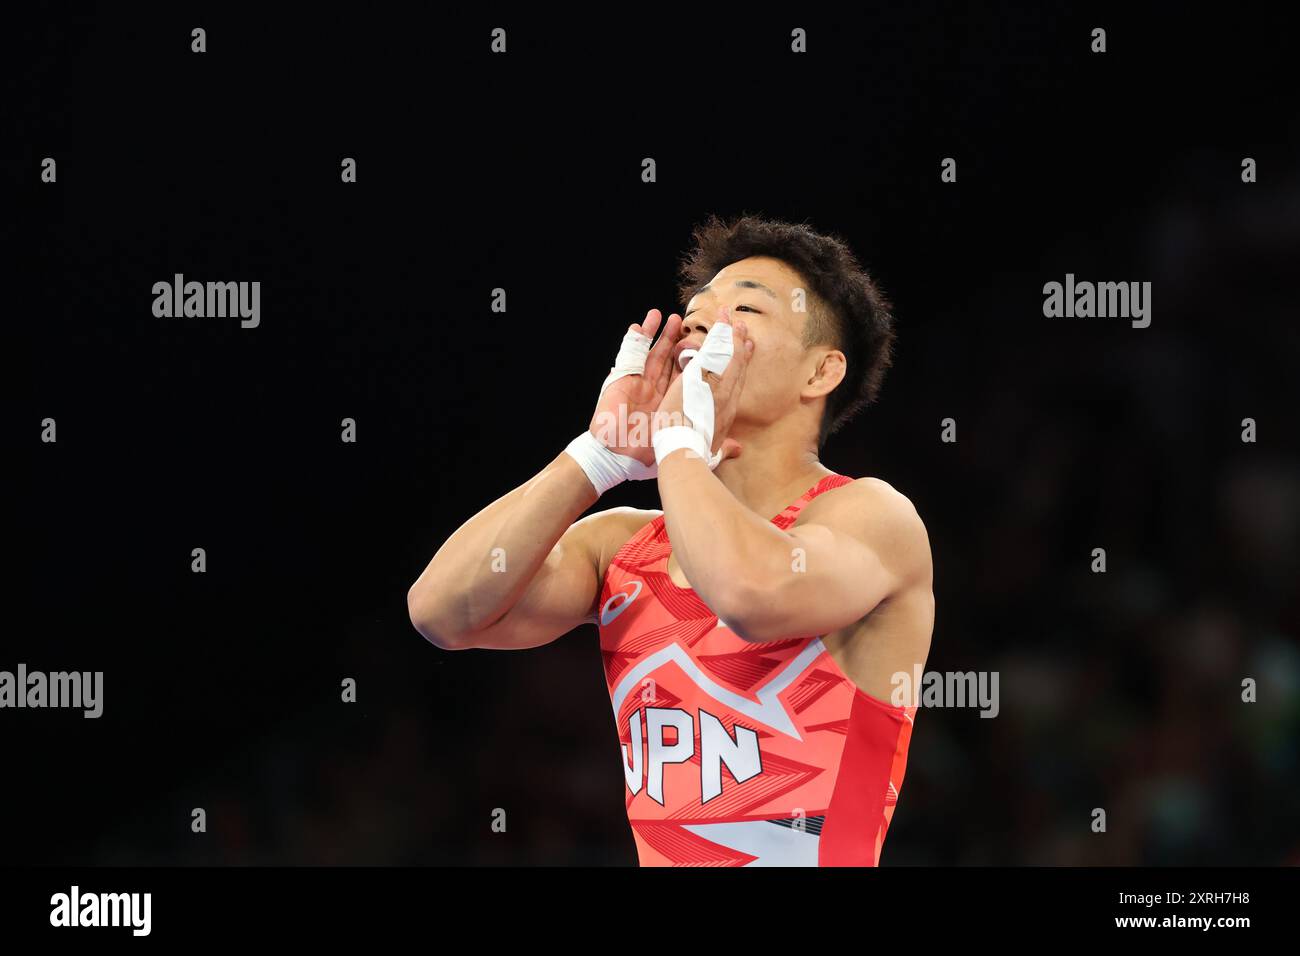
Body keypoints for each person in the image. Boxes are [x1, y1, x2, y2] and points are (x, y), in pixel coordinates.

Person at [408, 214, 934, 865]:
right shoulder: (619, 547)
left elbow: (748, 594)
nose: (700, 326)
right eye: (695, 310)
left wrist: (679, 439)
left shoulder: (872, 518)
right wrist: (596, 457)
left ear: (820, 373)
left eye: (745, 307)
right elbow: (441, 613)